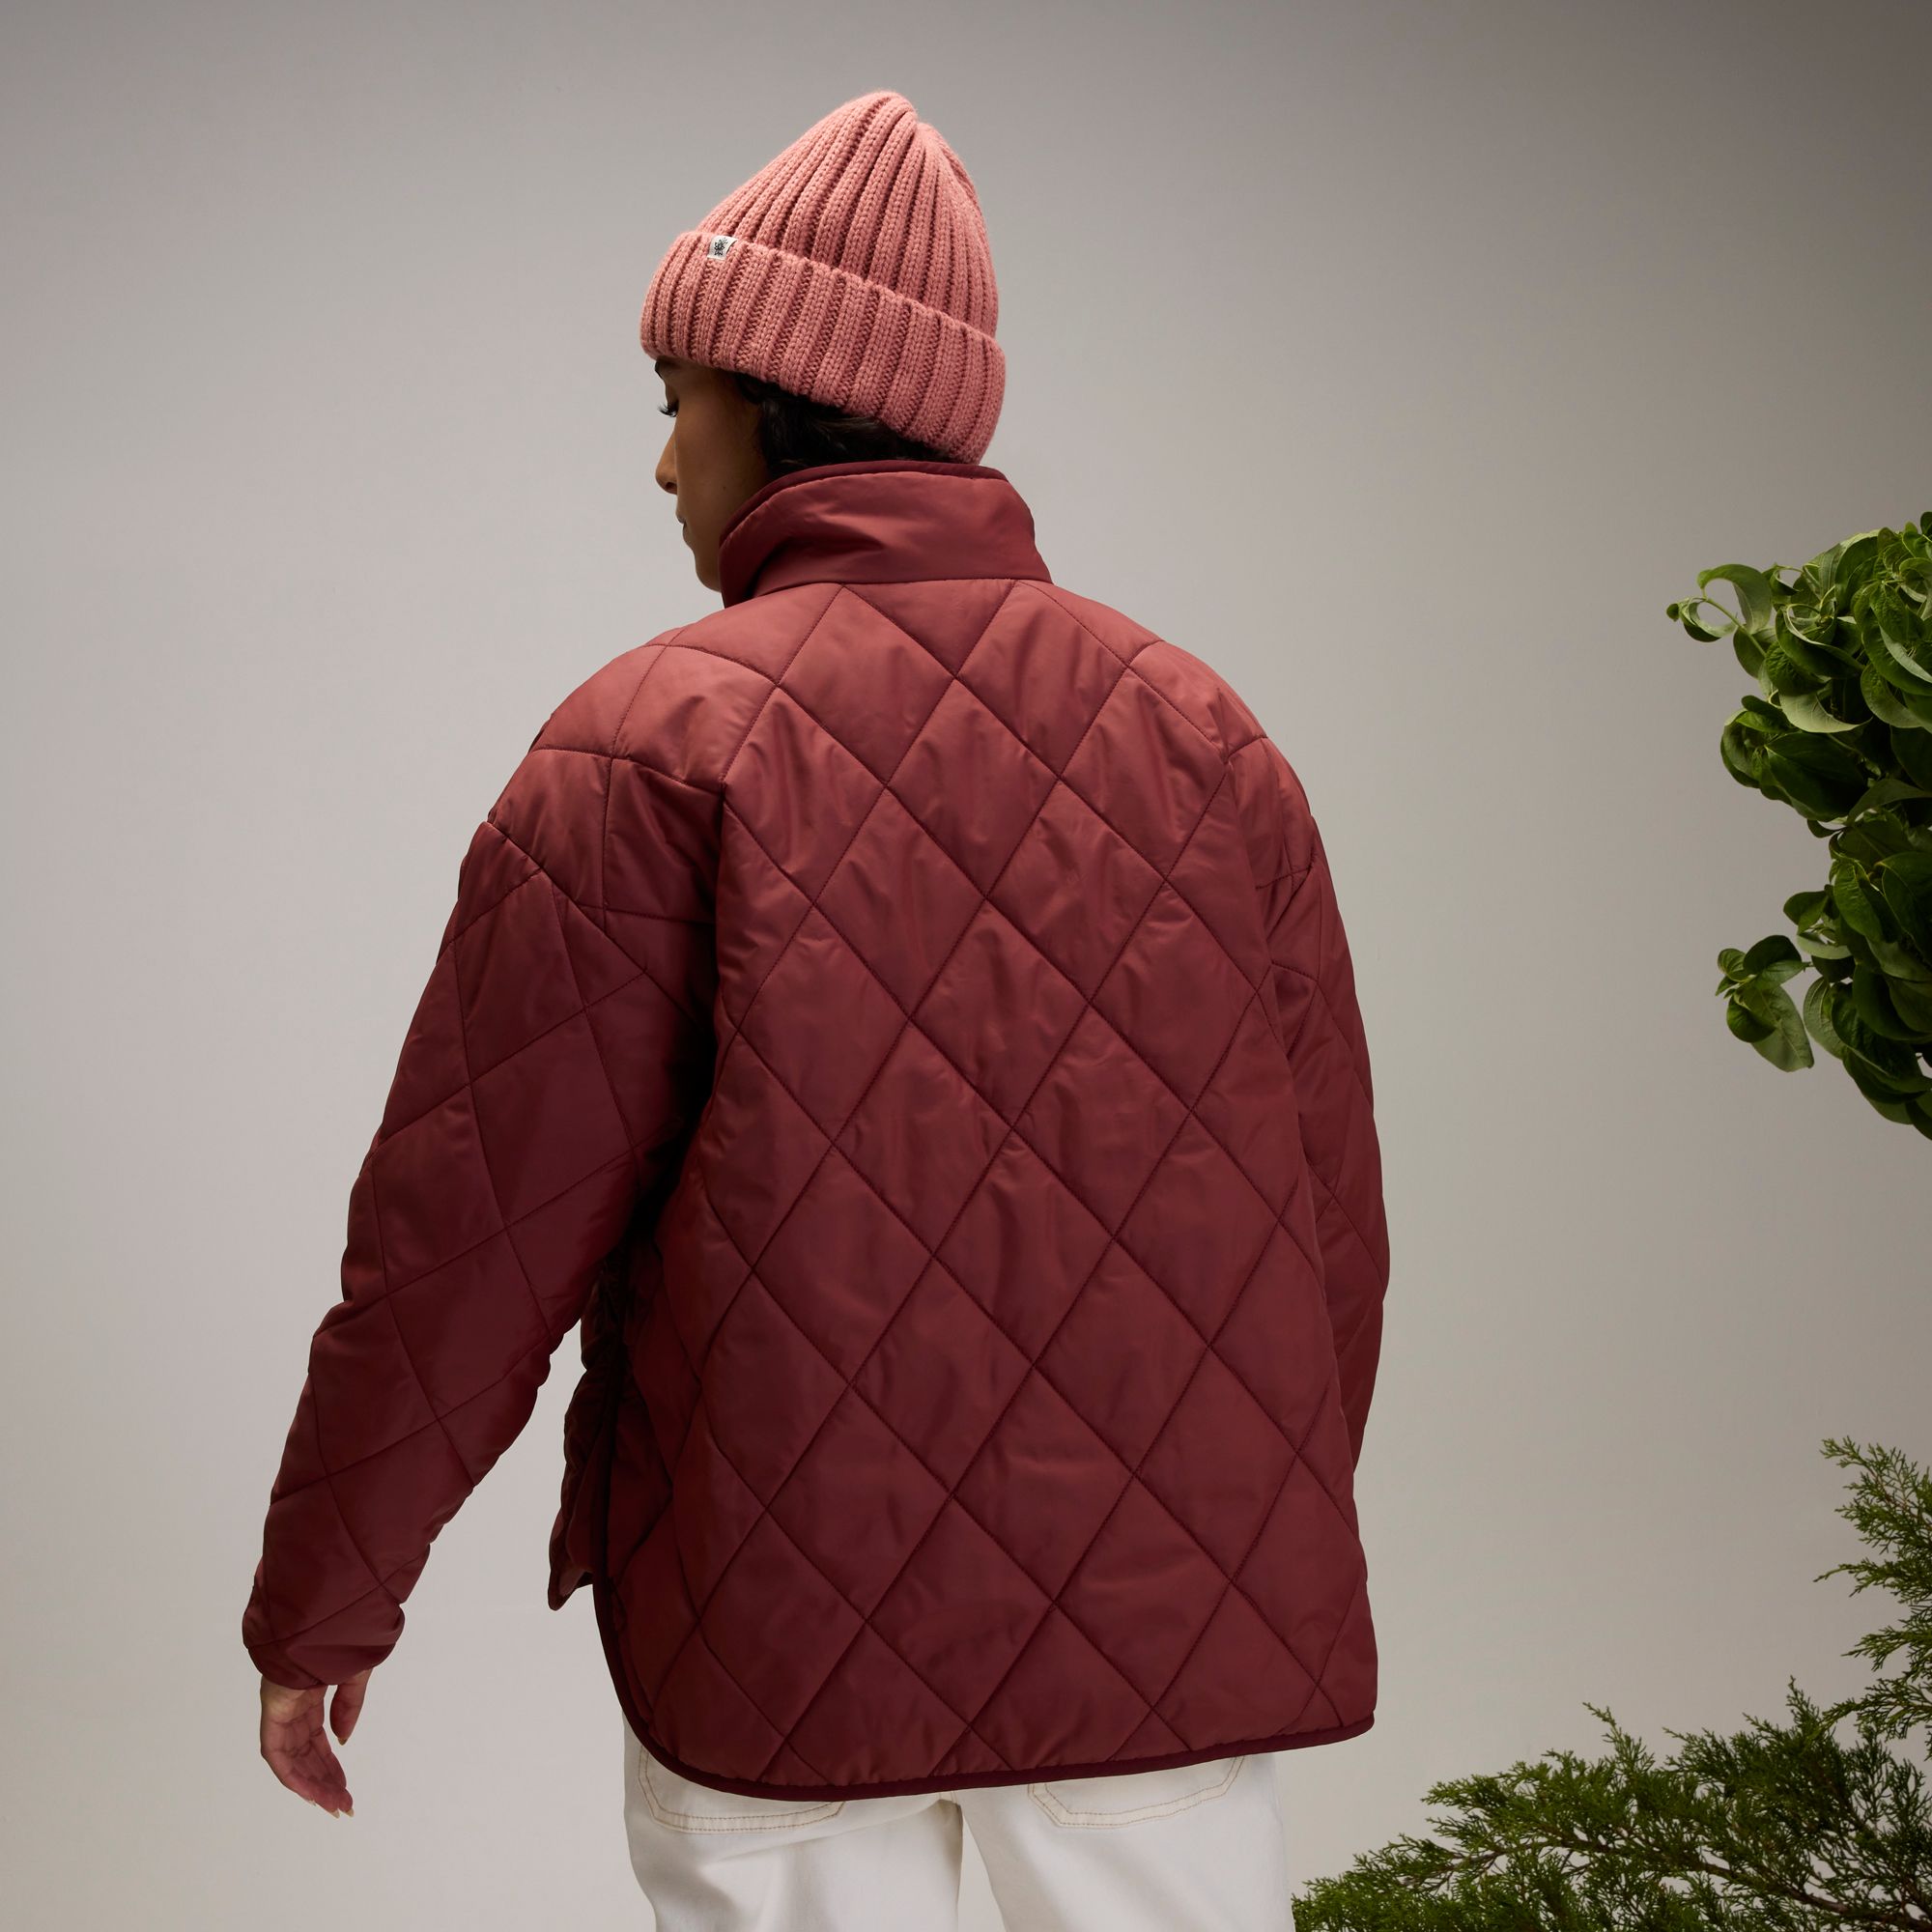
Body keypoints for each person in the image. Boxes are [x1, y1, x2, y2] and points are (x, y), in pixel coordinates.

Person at [244, 89, 1389, 1931]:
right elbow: (1330, 1234)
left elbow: (466, 1239)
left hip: (772, 1630)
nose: (661, 464)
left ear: (777, 407)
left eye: (674, 402)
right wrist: (1226, 1529)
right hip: (1170, 1640)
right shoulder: (1203, 732)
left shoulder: (650, 745)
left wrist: (324, 1600)